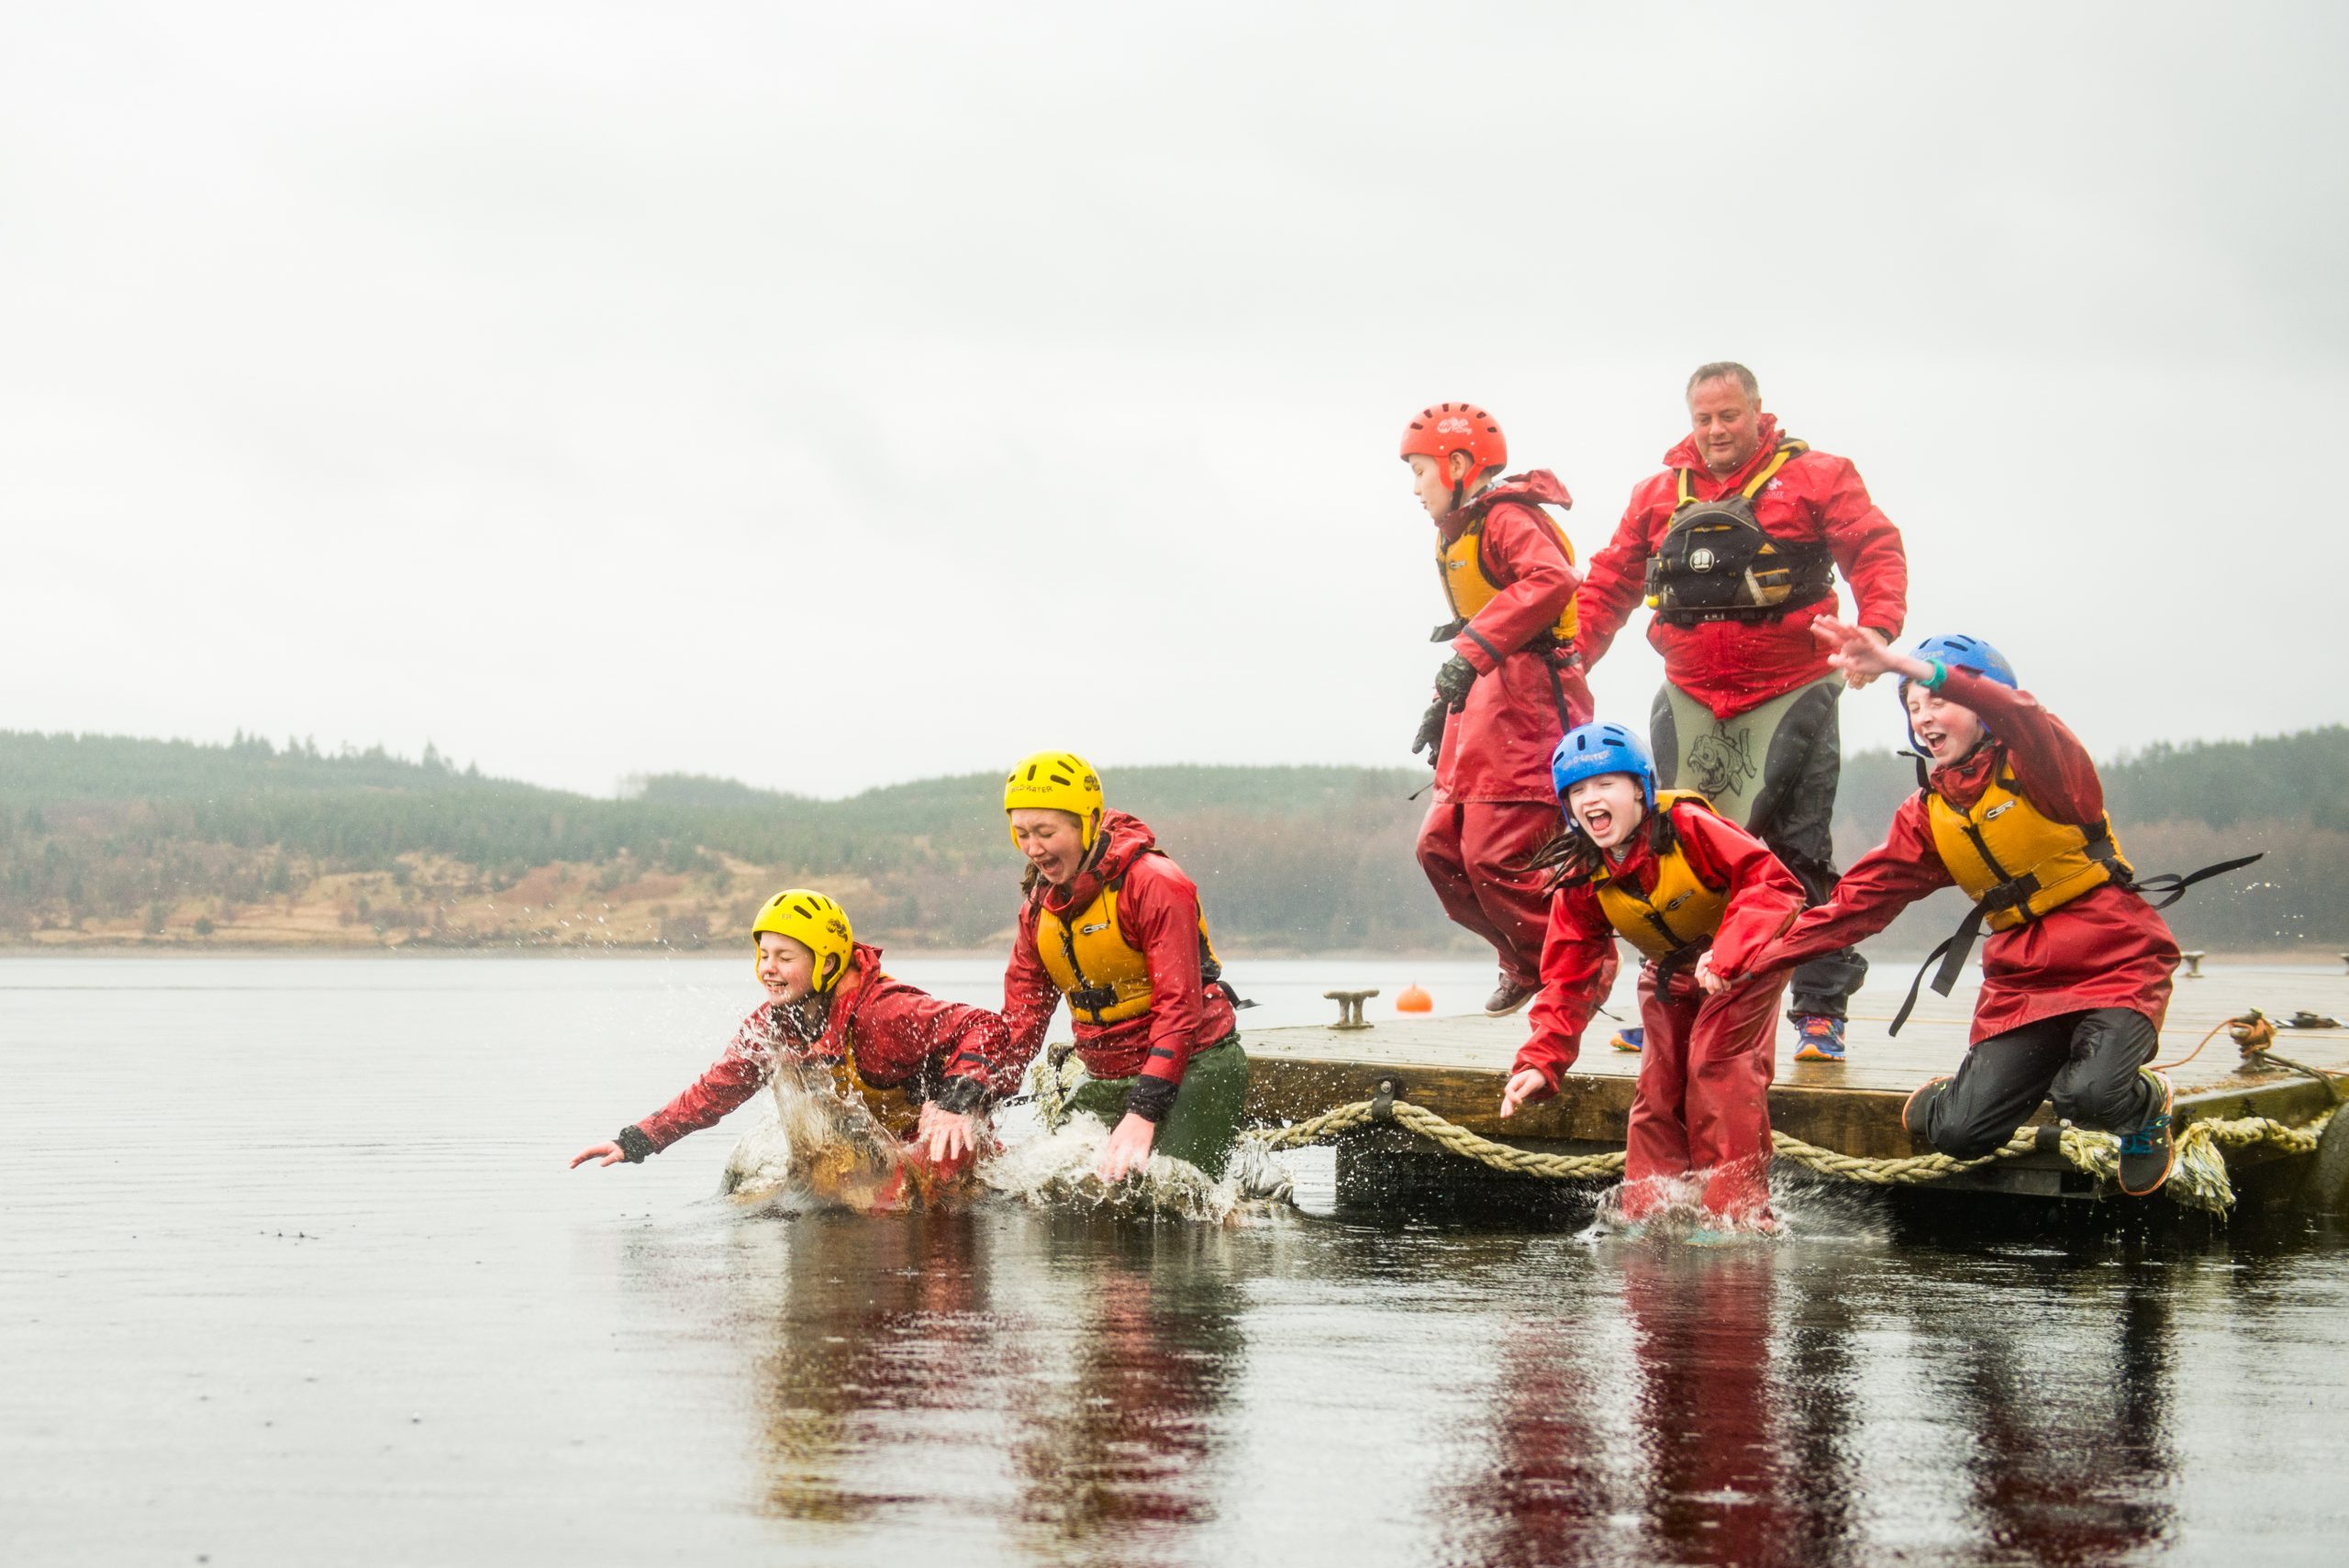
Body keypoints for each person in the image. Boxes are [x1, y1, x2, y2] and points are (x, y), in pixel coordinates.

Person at [1710, 621, 2239, 1197]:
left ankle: (2146, 1107)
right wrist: (1751, 957)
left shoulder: (2045, 766)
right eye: (1914, 707)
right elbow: (1854, 907)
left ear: (1981, 708)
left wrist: (1905, 664)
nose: (1925, 718)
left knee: (2088, 1096)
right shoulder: (1926, 813)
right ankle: (1963, 1095)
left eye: (1940, 701)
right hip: (2024, 977)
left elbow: (2020, 712)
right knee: (1960, 1133)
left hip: (2114, 958)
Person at [1575, 362, 1909, 1061]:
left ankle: (1820, 1010)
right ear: (1689, 421)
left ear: (1758, 411)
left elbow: (1872, 546)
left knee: (1798, 852)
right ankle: (1672, 994)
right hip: (1691, 694)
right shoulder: (1658, 494)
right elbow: (1610, 581)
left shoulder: (1818, 476)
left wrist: (1875, 630)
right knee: (1676, 852)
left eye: (1730, 415)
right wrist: (1569, 656)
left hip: (1794, 686)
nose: (1718, 430)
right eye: (1704, 418)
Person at [1499, 721, 1806, 1229]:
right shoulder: (1582, 876)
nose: (1590, 799)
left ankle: (1739, 1216)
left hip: (1746, 963)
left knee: (1716, 1065)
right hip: (1669, 974)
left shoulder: (1688, 826)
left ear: (1641, 788)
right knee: (1658, 1091)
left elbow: (1774, 885)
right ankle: (1653, 1211)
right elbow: (1569, 979)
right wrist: (1540, 1061)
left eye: (1605, 784)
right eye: (1576, 791)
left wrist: (1728, 955)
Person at [571, 888, 1020, 1202]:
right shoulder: (772, 1027)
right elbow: (714, 1091)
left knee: (905, 1187)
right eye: (763, 955)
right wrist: (635, 1141)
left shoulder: (884, 1012)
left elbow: (985, 1026)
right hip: (883, 1152)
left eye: (785, 958)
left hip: (943, 1144)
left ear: (826, 962)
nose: (768, 969)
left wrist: (956, 1101)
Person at [1401, 402, 1597, 1016]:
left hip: (1532, 697)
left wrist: (1470, 653)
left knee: (1494, 853)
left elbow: (1552, 580)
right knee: (1440, 849)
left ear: (1458, 465)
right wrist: (1442, 703)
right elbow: (1474, 623)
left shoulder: (1508, 517)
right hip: (1481, 700)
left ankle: (1581, 963)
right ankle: (1525, 958)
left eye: (1420, 471)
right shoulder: (1455, 531)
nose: (1415, 487)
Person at [972, 750, 1250, 1182]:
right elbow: (1021, 1023)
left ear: (1087, 823)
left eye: (1045, 831)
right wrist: (972, 1095)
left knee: (1171, 1200)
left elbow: (1179, 1007)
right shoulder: (1037, 911)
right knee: (1061, 1192)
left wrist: (1145, 1109)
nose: (1033, 848)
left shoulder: (1154, 883)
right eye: (1021, 833)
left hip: (1196, 1064)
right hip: (1106, 1073)